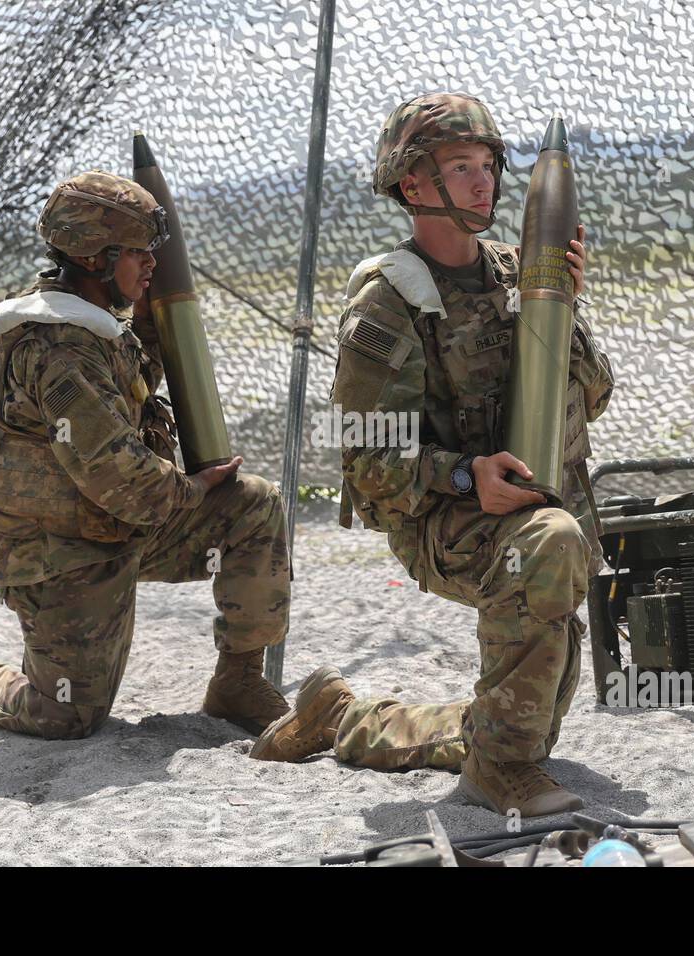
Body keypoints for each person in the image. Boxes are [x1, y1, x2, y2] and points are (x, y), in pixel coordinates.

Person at [252, 94, 614, 818]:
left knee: (526, 719)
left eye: (489, 166)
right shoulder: (390, 303)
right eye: (460, 167)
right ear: (412, 184)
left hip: (537, 518)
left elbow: (594, 398)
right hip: (442, 519)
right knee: (549, 553)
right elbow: (363, 462)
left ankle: (347, 717)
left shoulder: (521, 275)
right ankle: (497, 776)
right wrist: (464, 474)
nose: (484, 184)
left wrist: (563, 309)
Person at [0, 170, 291, 740]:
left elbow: (127, 395)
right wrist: (197, 488)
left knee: (254, 506)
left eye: (153, 250)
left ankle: (237, 680)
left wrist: (152, 333)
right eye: (136, 253)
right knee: (65, 714)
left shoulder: (95, 328)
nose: (152, 264)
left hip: (120, 527)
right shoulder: (55, 343)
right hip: (59, 553)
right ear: (94, 257)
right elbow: (121, 477)